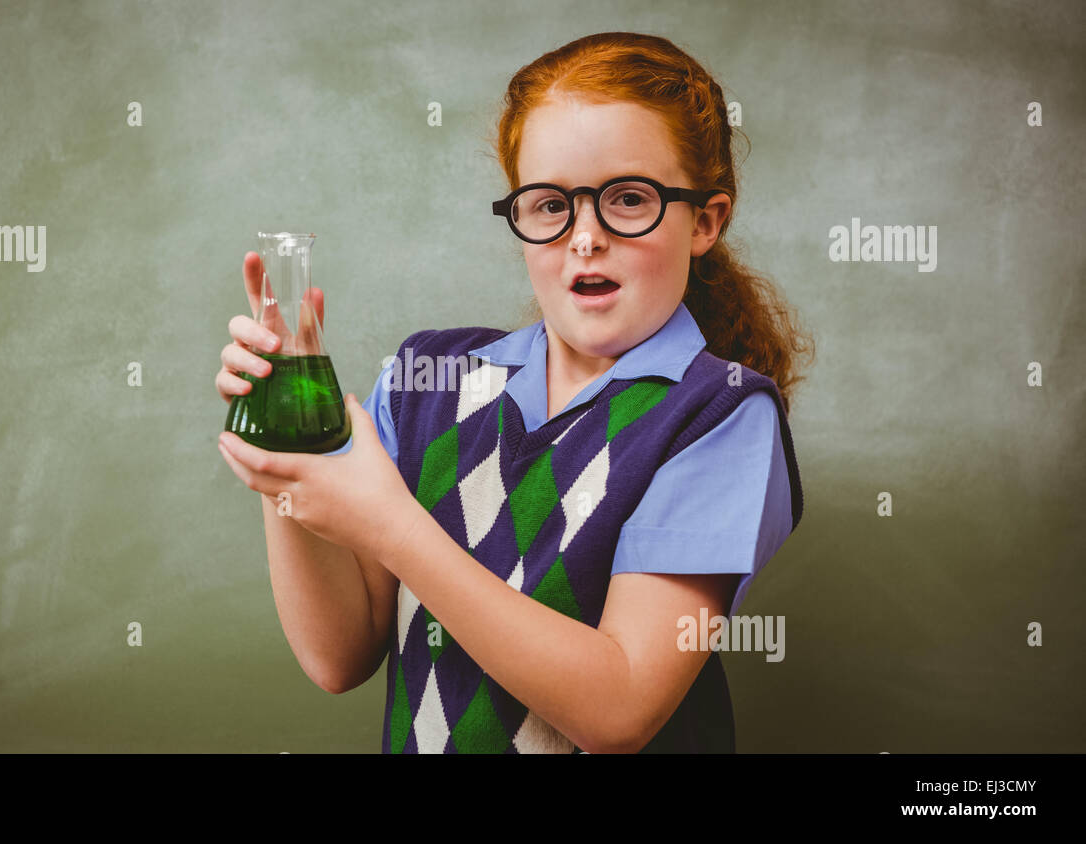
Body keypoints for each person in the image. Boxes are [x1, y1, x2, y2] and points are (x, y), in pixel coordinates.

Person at [216, 31, 813, 753]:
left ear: (705, 221)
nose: (585, 237)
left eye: (629, 199)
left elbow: (619, 707)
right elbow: (337, 657)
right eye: (550, 204)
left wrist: (392, 526)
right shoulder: (423, 380)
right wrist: (289, 449)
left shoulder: (719, 415)